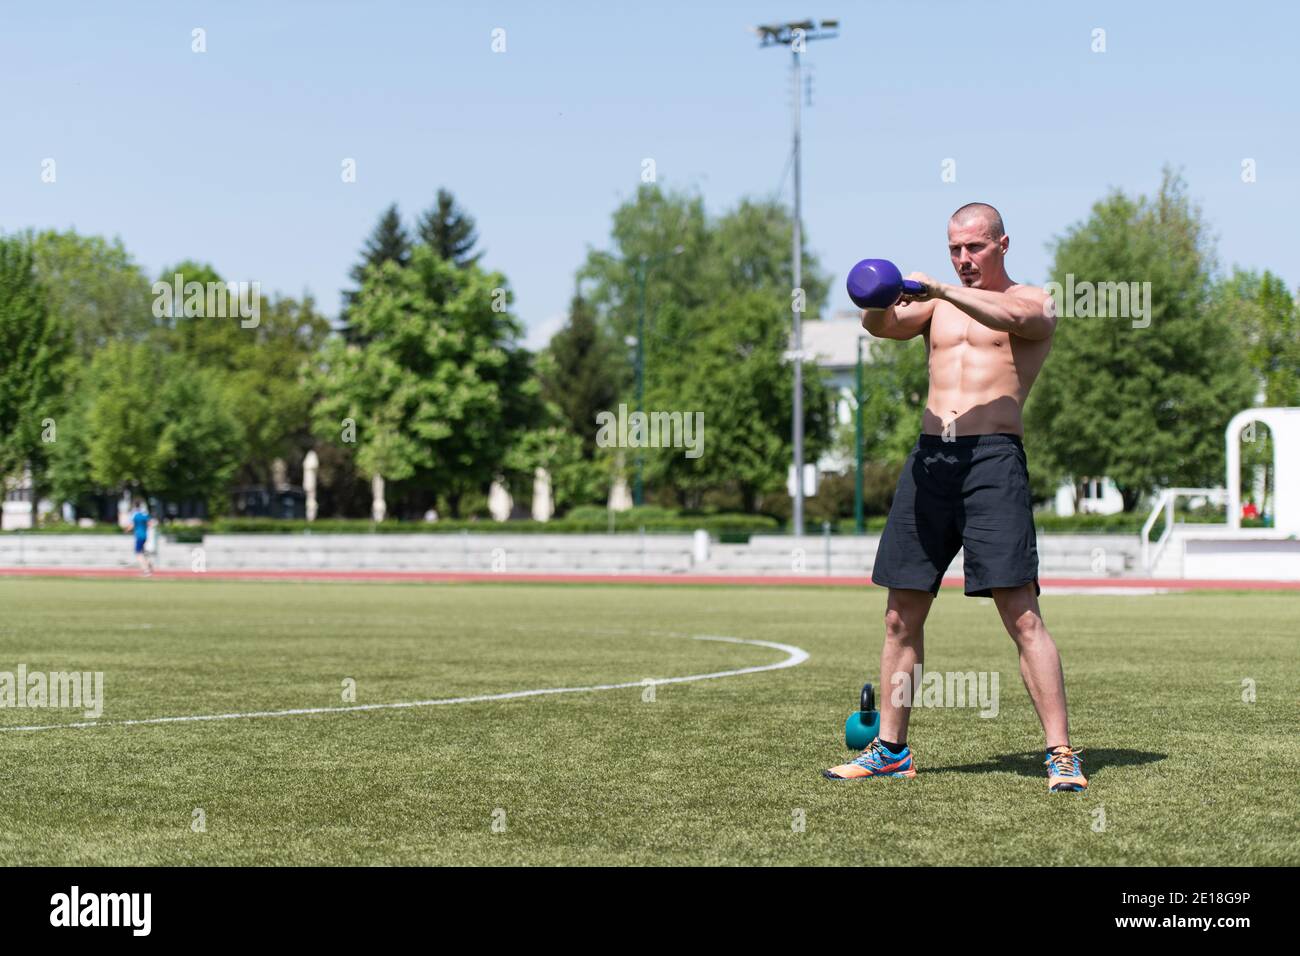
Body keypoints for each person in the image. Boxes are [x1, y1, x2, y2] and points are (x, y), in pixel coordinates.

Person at [824, 203, 1087, 792]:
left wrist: (940, 286)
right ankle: (890, 749)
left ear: (1002, 244)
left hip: (992, 462)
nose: (963, 260)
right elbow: (882, 326)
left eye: (974, 248)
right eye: (953, 250)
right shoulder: (936, 307)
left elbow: (1017, 316)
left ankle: (1061, 752)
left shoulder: (1034, 300)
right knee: (900, 614)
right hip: (929, 463)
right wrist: (878, 295)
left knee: (1021, 615)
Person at [130, 499, 156, 577]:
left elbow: (132, 526)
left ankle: (146, 571)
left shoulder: (135, 515)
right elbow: (151, 524)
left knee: (138, 553)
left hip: (139, 536)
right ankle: (149, 565)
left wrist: (125, 530)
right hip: (145, 536)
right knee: (143, 552)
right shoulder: (144, 515)